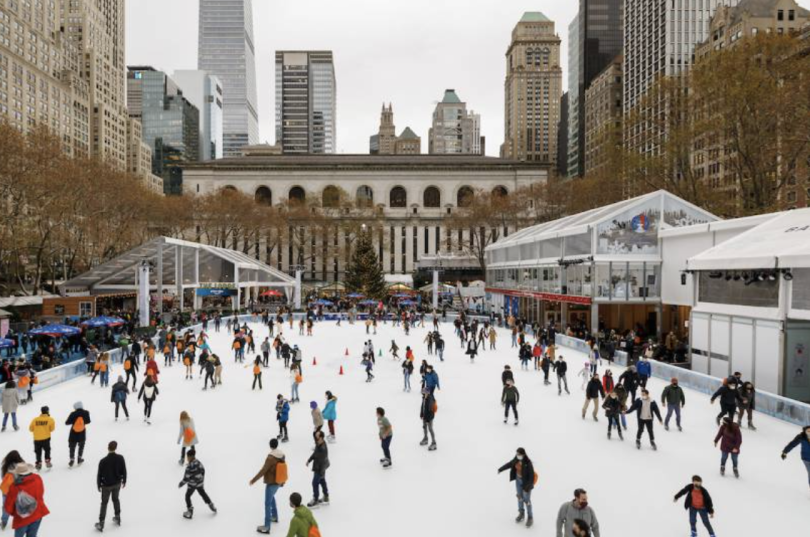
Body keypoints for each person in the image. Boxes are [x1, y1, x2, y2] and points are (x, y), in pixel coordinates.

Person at [250, 438, 287, 534]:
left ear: (270, 446)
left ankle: (267, 527)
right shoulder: (282, 455)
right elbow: (283, 469)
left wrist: (253, 480)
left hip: (271, 483)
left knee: (267, 503)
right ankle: (274, 516)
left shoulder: (270, 458)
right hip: (278, 482)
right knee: (272, 498)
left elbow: (263, 471)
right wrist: (282, 482)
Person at [3, 462, 48, 536]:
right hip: (37, 513)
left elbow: (8, 506)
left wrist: (16, 512)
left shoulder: (14, 487)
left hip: (22, 518)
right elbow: (41, 493)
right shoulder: (37, 479)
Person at [497, 447, 535, 528]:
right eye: (517, 454)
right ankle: (521, 513)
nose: (517, 455)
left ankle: (530, 517)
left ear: (523, 454)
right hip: (518, 481)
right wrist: (500, 469)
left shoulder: (528, 463)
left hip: (526, 483)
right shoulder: (516, 459)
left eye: (519, 454)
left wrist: (527, 487)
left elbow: (531, 476)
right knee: (519, 497)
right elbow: (509, 464)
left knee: (527, 500)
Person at [95, 441, 126, 532]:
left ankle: (101, 523)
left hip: (106, 485)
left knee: (104, 503)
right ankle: (117, 517)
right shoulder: (120, 458)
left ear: (108, 448)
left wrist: (98, 484)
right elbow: (124, 470)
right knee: (115, 499)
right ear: (115, 448)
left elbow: (99, 474)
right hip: (117, 484)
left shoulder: (103, 461)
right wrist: (124, 480)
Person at [179, 448, 216, 519]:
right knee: (203, 493)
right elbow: (203, 471)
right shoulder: (199, 462)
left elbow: (186, 478)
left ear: (190, 457)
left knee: (187, 496)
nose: (187, 458)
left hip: (192, 485)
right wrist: (201, 480)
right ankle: (211, 505)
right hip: (200, 483)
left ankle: (190, 511)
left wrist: (181, 483)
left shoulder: (189, 467)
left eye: (187, 457)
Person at [781, 425, 810, 490]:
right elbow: (792, 444)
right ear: (805, 431)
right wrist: (785, 452)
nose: (809, 433)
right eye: (808, 431)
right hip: (806, 459)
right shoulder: (801, 437)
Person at [0, 450, 24, 530]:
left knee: (6, 507)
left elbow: (3, 478)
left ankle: (4, 522)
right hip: (17, 490)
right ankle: (21, 521)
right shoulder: (21, 466)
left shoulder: (5, 466)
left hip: (6, 491)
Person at [306, 431, 330, 508]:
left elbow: (320, 460)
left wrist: (320, 472)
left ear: (321, 437)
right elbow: (315, 453)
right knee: (322, 481)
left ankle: (315, 499)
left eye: (317, 436)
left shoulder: (322, 448)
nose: (315, 437)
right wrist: (309, 460)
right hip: (320, 467)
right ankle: (326, 497)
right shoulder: (319, 443)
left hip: (320, 468)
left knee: (315, 483)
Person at [64, 401, 91, 467]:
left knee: (72, 446)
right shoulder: (86, 412)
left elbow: (67, 422)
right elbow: (88, 421)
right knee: (81, 446)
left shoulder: (73, 413)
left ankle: (72, 459)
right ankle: (79, 458)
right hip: (82, 432)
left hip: (73, 433)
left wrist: (74, 421)